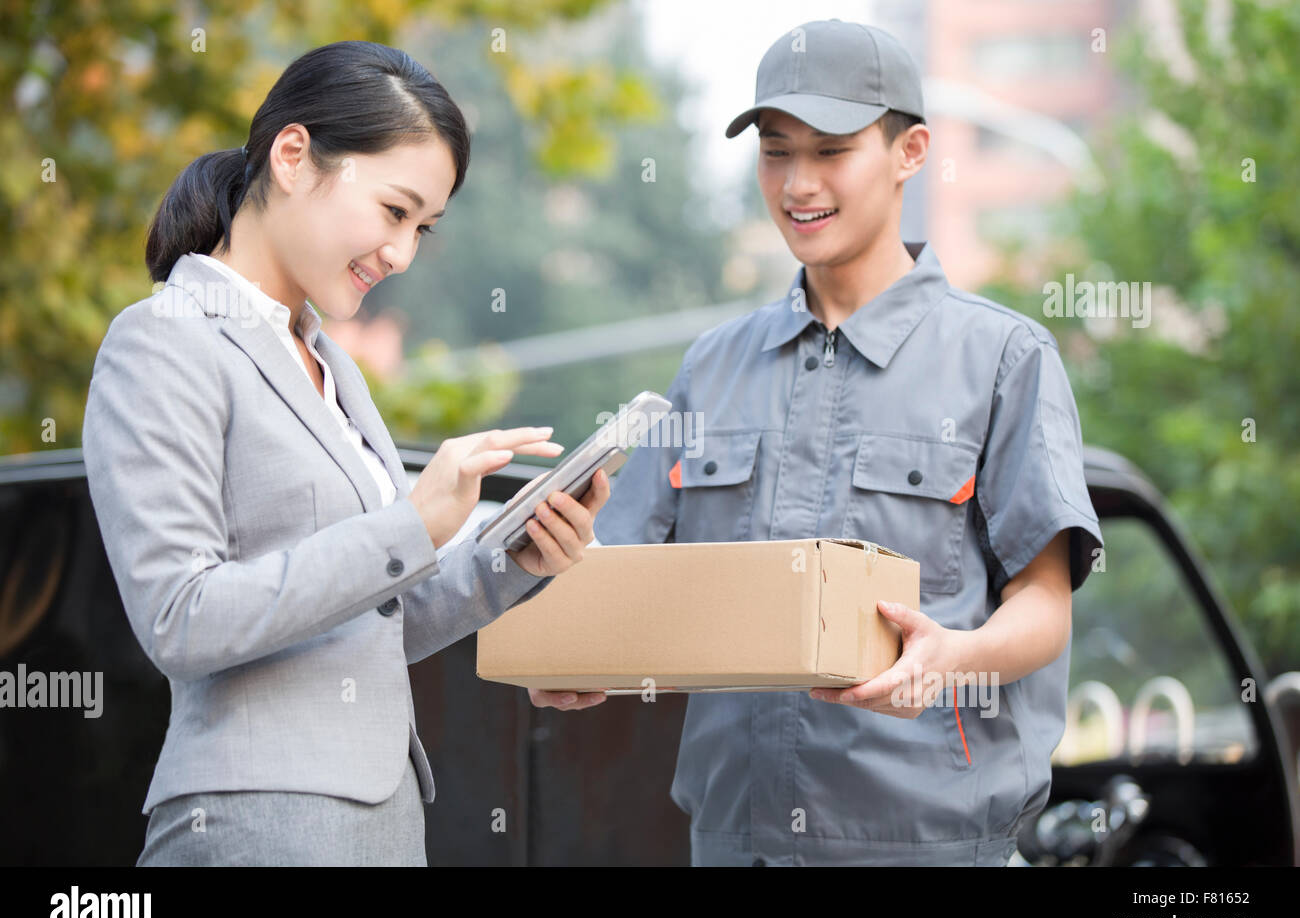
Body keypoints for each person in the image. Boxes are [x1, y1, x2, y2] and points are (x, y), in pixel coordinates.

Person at [531, 19, 1104, 866]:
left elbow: (1045, 607)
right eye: (775, 151)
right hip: (736, 844)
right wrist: (582, 654)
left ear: (911, 152)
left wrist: (955, 657)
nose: (798, 184)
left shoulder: (1003, 360)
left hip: (929, 848)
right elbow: (626, 577)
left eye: (831, 150)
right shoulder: (714, 367)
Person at [81, 40, 609, 866]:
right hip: (256, 822)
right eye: (395, 212)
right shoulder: (162, 340)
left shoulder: (329, 363)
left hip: (379, 820)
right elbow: (179, 617)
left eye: (423, 229)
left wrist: (513, 554)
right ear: (293, 156)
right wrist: (410, 525)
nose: (402, 253)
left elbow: (369, 622)